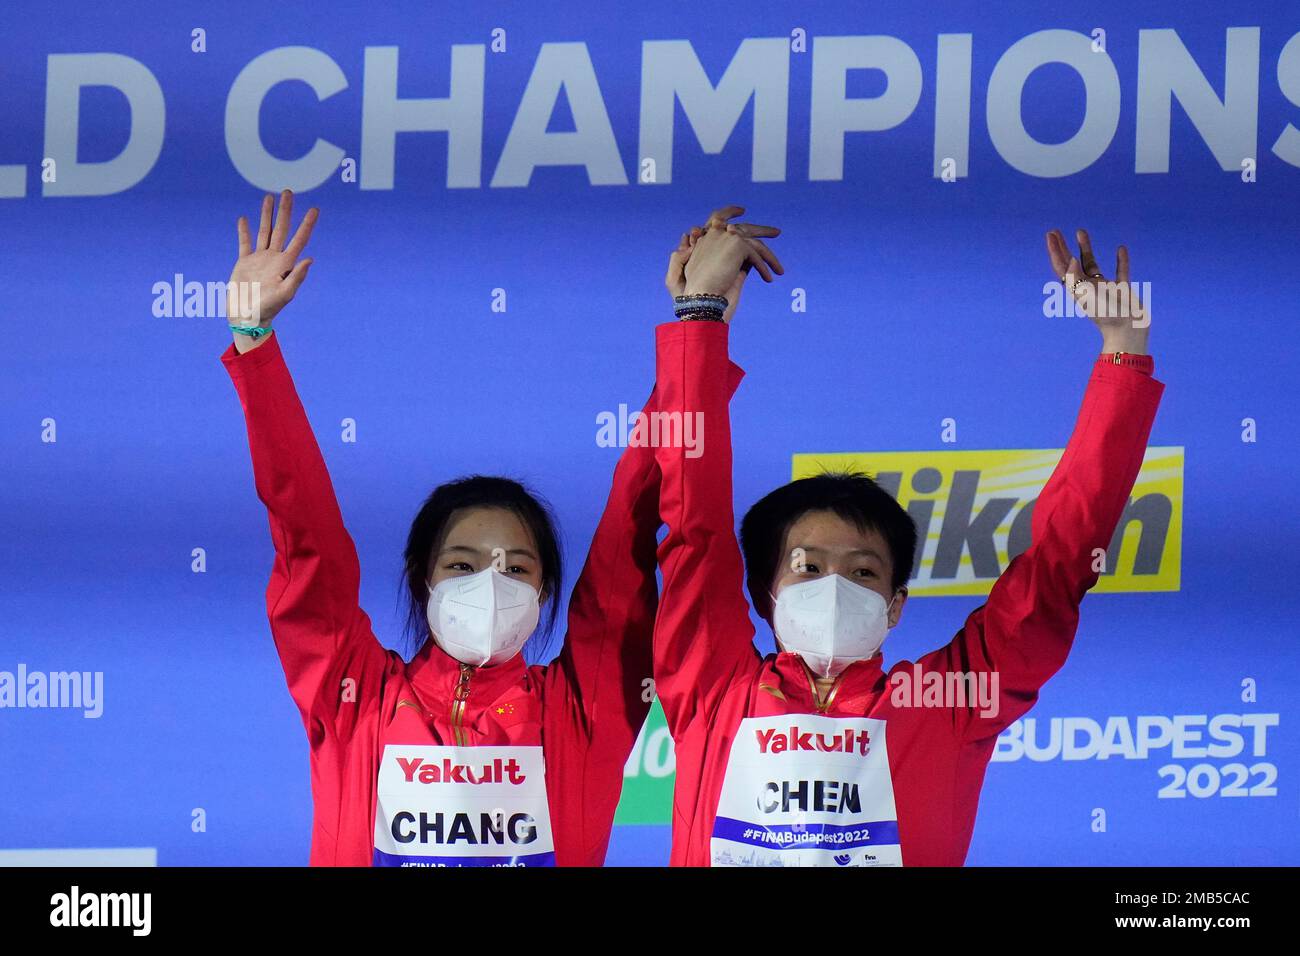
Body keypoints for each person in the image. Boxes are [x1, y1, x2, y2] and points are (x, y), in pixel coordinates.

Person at [651, 208, 1164, 866]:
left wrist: (1124, 351)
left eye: (864, 572)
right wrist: (700, 316)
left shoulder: (948, 702)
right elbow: (694, 524)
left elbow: (1060, 566)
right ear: (764, 594)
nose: (835, 586)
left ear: (897, 604)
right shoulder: (710, 685)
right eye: (808, 568)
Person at [221, 189, 673, 866]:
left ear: (547, 592)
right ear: (422, 580)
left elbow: (627, 544)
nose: (490, 585)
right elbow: (305, 535)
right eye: (462, 565)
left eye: (517, 568)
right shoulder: (353, 698)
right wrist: (255, 345)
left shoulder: (582, 714)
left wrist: (696, 329)